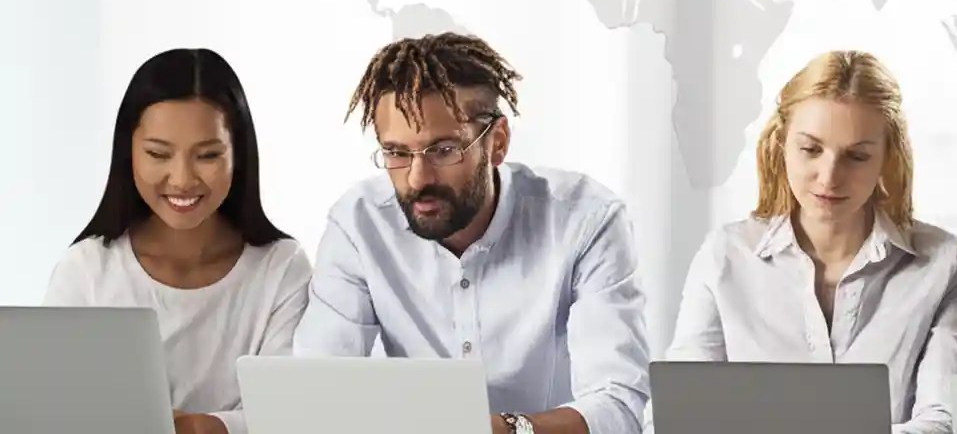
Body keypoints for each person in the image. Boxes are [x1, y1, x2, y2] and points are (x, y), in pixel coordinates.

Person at [292, 32, 650, 434]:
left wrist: (505, 430)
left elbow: (619, 407)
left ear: (497, 143)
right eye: (396, 152)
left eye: (443, 150)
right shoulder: (359, 224)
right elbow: (315, 391)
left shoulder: (586, 220)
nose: (417, 178)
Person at [660, 50, 957, 434]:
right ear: (781, 144)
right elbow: (680, 413)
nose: (829, 177)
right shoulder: (725, 256)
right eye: (810, 149)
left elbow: (944, 421)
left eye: (857, 157)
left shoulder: (943, 262)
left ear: (887, 157)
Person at [43, 48, 312, 434]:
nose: (182, 179)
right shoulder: (86, 270)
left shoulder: (282, 269)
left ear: (238, 155)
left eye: (207, 155)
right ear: (128, 153)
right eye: (158, 154)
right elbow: (52, 406)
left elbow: (291, 410)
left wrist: (207, 427)